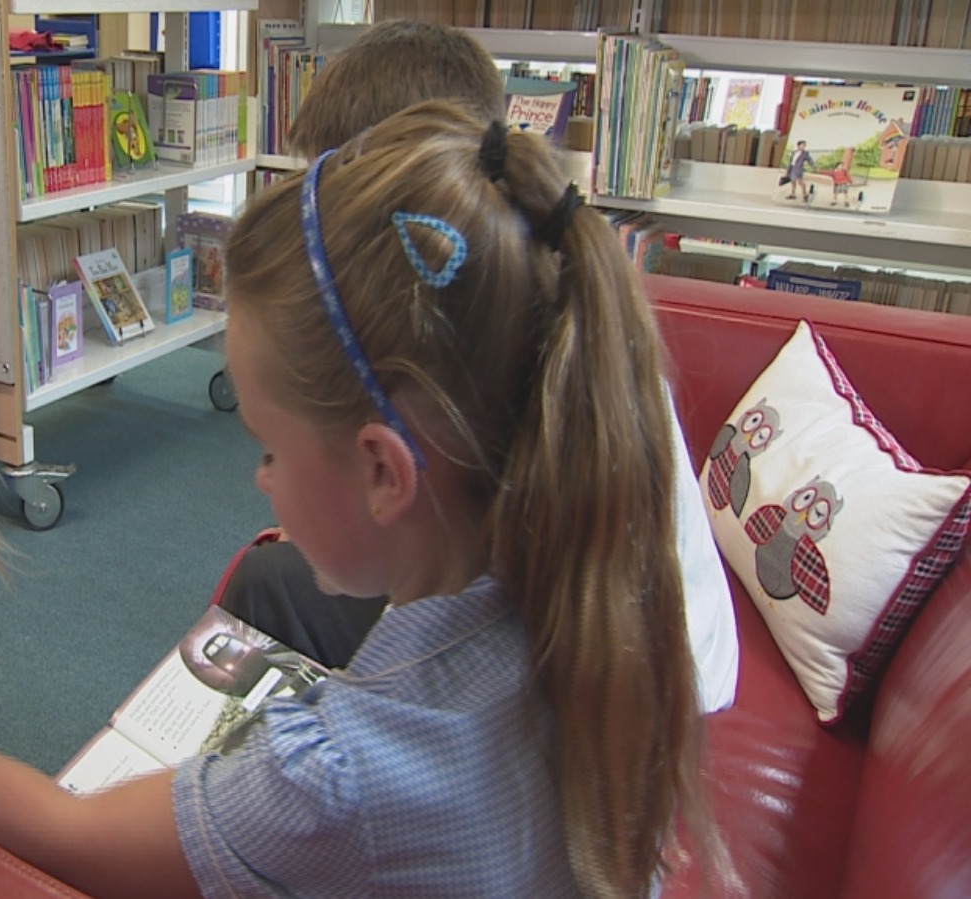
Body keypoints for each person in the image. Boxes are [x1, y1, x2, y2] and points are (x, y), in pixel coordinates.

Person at [0, 102, 718, 898]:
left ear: (383, 474)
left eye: (268, 446)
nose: (258, 480)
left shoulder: (337, 778)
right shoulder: (587, 579)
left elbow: (73, 838)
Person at [219, 20, 741, 719]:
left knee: (269, 585)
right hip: (627, 658)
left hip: (623, 697)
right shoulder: (532, 291)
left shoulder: (514, 358)